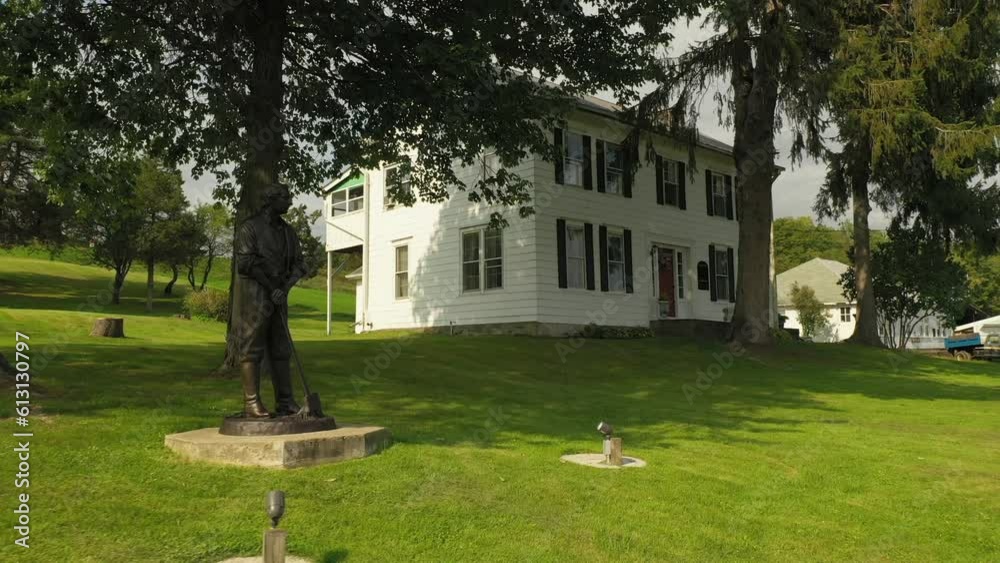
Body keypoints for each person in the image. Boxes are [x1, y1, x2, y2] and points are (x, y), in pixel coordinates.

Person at [232, 182, 307, 417]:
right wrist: (271, 286)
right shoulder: (250, 228)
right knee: (251, 347)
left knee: (281, 349)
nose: (290, 201)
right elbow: (245, 263)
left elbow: (299, 264)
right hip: (256, 298)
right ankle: (251, 402)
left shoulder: (288, 232)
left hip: (279, 299)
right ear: (271, 200)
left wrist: (283, 288)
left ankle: (285, 401)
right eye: (285, 197)